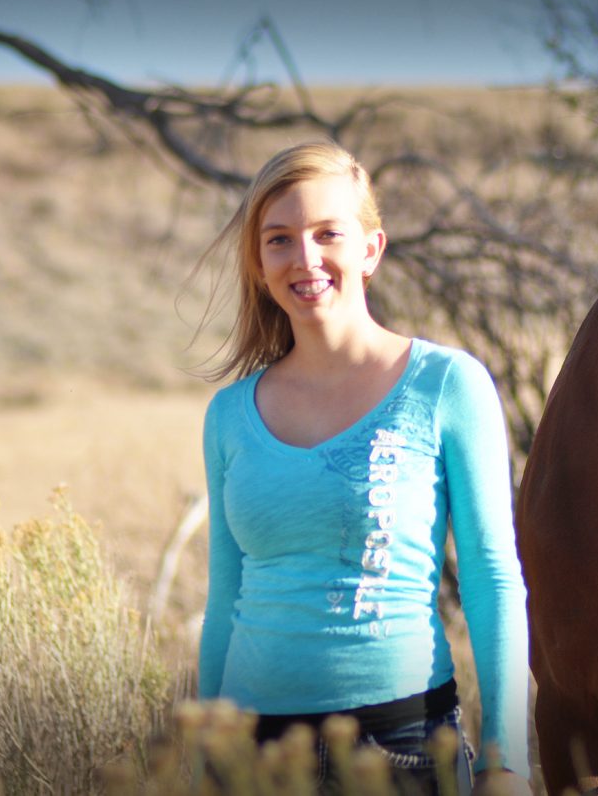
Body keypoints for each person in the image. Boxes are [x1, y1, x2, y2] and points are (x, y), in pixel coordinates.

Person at [196, 140, 530, 795]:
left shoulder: (446, 384)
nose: (306, 258)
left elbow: (493, 575)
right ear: (259, 262)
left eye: (328, 234)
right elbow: (223, 600)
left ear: (371, 249)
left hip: (399, 749)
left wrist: (505, 756)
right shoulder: (228, 415)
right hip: (250, 757)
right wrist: (201, 756)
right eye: (280, 239)